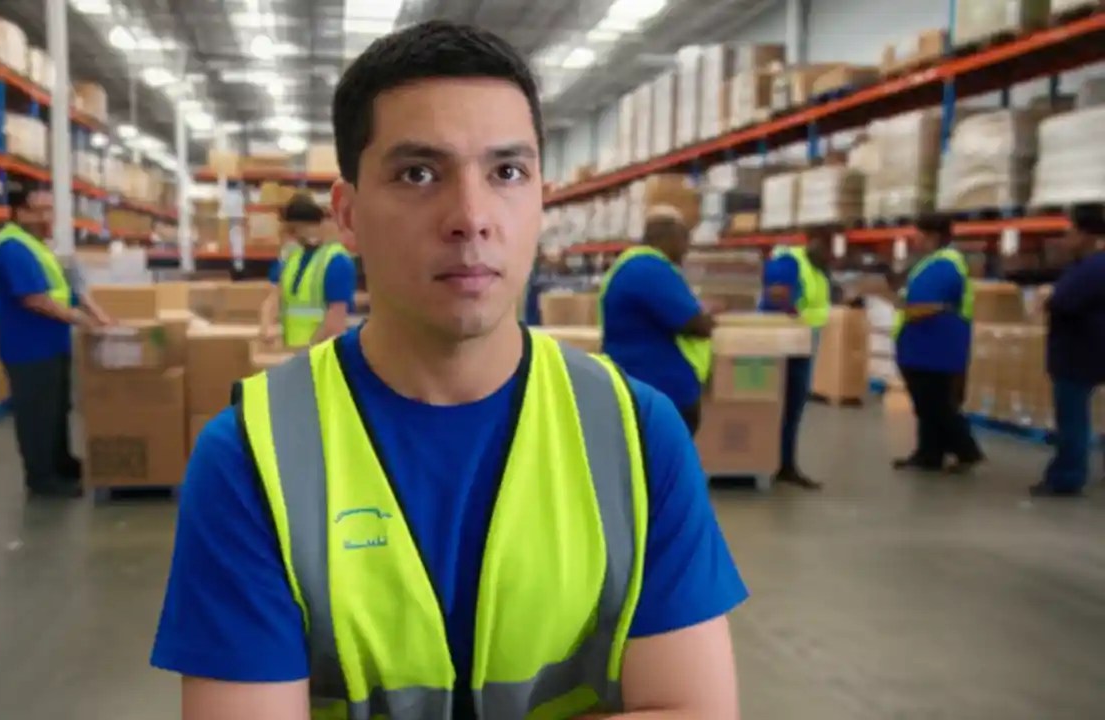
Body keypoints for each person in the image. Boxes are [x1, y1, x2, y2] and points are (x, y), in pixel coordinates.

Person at [153, 20, 746, 720]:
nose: (471, 216)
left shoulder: (636, 436)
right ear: (348, 215)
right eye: (418, 173)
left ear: (540, 201)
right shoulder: (255, 459)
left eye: (506, 172)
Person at [0, 183, 113, 499]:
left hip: (52, 344)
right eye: (40, 210)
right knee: (37, 414)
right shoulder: (12, 247)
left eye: (50, 209)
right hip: (28, 347)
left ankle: (62, 463)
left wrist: (95, 313)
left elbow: (65, 289)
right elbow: (34, 299)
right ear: (20, 212)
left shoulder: (36, 245)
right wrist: (80, 319)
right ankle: (42, 479)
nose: (48, 216)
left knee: (57, 409)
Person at [601, 206, 715, 434]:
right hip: (660, 389)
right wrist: (709, 319)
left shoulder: (632, 265)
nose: (686, 249)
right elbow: (694, 324)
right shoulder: (650, 268)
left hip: (640, 384)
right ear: (670, 236)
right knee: (661, 463)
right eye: (685, 240)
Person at [891, 214, 983, 473]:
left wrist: (907, 308)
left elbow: (925, 305)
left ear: (932, 237)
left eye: (918, 234)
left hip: (935, 348)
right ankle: (928, 455)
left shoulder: (944, 265)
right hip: (925, 347)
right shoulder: (933, 262)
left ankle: (967, 451)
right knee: (927, 405)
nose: (915, 239)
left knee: (936, 405)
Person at [1030, 204, 1105, 498]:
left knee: (1072, 420)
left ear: (1086, 234)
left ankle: (1066, 477)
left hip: (1079, 353)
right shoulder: (1086, 265)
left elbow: (1065, 302)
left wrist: (1049, 299)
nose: (1065, 237)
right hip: (1087, 349)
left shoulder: (1093, 267)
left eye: (1070, 231)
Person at [760, 226, 834, 490]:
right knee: (778, 405)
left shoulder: (818, 271)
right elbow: (776, 294)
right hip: (786, 345)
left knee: (793, 408)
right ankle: (769, 462)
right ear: (813, 241)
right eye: (826, 247)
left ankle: (786, 465)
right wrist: (792, 315)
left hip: (803, 344)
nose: (829, 255)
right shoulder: (790, 260)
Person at [258, 192, 357, 347]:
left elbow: (336, 319)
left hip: (320, 356)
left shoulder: (336, 261)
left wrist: (308, 355)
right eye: (292, 230)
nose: (295, 235)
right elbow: (274, 297)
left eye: (298, 228)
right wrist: (266, 327)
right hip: (291, 352)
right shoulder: (291, 257)